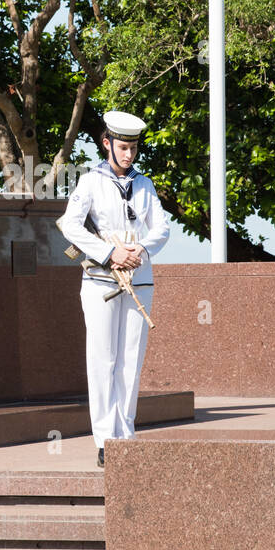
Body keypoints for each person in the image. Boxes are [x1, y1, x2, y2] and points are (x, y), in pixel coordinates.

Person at [58, 111, 169, 466]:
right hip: (100, 280)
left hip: (139, 279)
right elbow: (70, 226)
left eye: (133, 148)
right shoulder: (90, 181)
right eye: (122, 147)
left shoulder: (145, 184)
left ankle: (126, 434)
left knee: (130, 363)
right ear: (107, 143)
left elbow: (161, 228)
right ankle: (106, 440)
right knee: (102, 360)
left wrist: (140, 249)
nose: (129, 155)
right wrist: (110, 252)